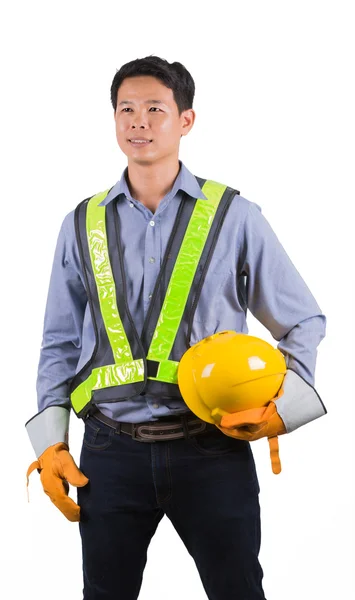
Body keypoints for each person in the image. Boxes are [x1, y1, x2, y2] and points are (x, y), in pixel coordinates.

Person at [25, 55, 327, 600]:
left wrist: (283, 410)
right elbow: (59, 340)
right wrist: (50, 443)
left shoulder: (234, 216)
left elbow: (302, 318)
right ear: (114, 119)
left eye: (155, 109)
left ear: (185, 120)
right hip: (109, 454)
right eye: (126, 109)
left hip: (210, 449)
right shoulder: (81, 223)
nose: (138, 121)